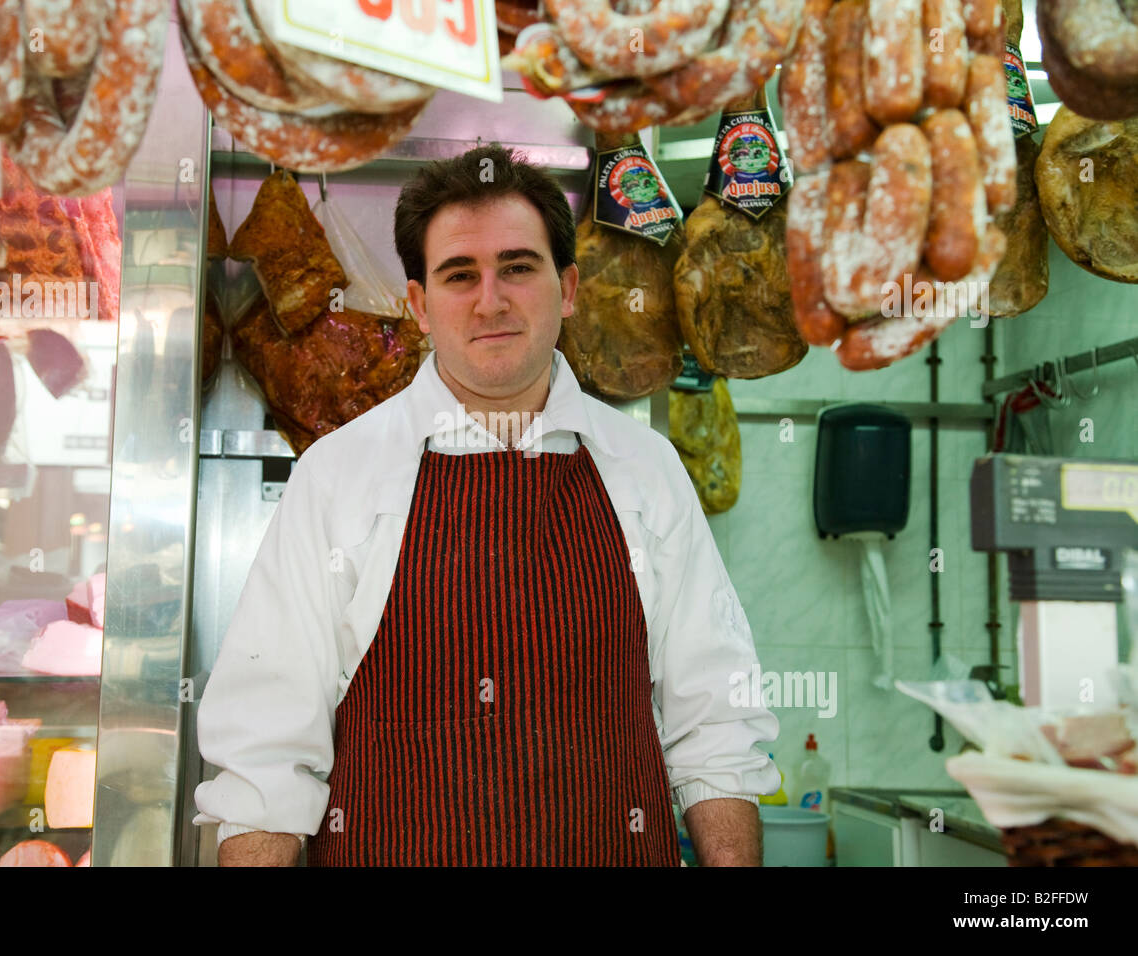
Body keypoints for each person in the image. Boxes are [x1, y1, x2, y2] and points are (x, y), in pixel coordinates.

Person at [194, 144, 780, 866]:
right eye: (459, 275)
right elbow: (265, 761)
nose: (491, 300)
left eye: (518, 268)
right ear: (419, 305)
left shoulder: (646, 470)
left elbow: (715, 725)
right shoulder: (337, 477)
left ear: (568, 288)